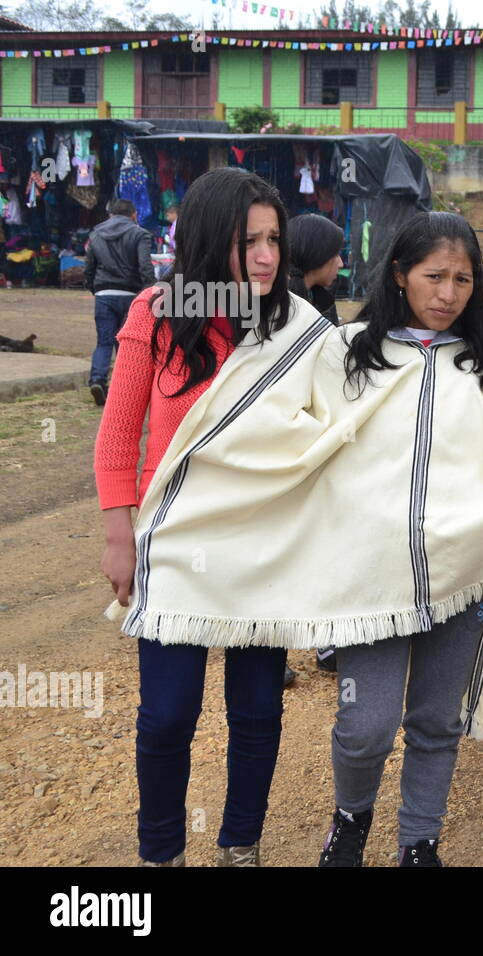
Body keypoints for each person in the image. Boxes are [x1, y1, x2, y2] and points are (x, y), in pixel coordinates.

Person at [95, 167, 303, 866]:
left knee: (257, 712)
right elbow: (120, 435)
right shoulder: (155, 314)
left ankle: (239, 843)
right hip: (175, 541)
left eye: (275, 238)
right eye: (251, 241)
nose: (269, 255)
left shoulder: (294, 331)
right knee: (166, 716)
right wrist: (118, 534)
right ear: (215, 243)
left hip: (261, 546)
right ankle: (161, 854)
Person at [317, 212, 483, 868]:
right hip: (369, 578)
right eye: (434, 276)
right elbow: (297, 449)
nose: (449, 293)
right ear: (399, 275)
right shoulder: (347, 354)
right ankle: (350, 816)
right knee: (365, 726)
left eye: (464, 279)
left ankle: (418, 842)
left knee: (436, 721)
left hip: (461, 579)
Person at [84, 198, 156, 405]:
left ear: (110, 215)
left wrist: (94, 288)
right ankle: (125, 388)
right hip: (130, 296)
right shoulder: (139, 234)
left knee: (104, 342)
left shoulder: (96, 234)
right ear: (134, 215)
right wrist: (150, 293)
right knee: (127, 344)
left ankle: (97, 380)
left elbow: (89, 268)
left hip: (104, 294)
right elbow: (145, 267)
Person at [287, 212, 344, 326]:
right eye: (335, 255)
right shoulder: (252, 296)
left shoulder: (323, 300)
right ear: (318, 256)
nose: (341, 264)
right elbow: (244, 342)